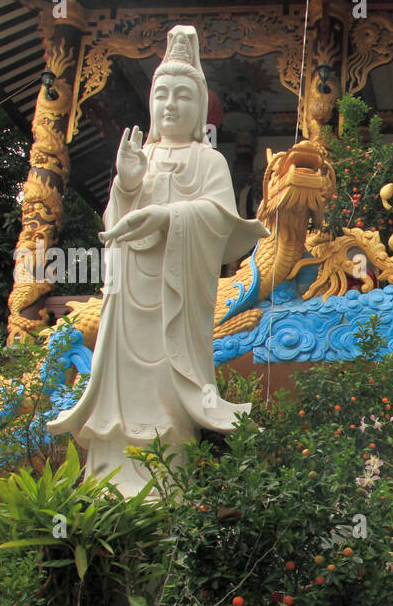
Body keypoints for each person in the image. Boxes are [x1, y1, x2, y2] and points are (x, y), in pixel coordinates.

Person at [48, 26, 267, 496]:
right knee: (122, 388)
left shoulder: (208, 162)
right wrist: (127, 186)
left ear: (199, 108)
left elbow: (219, 222)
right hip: (130, 294)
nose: (170, 105)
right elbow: (113, 228)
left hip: (177, 296)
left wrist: (168, 216)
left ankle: (166, 481)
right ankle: (109, 477)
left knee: (166, 390)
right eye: (161, 94)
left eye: (182, 96)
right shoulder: (138, 156)